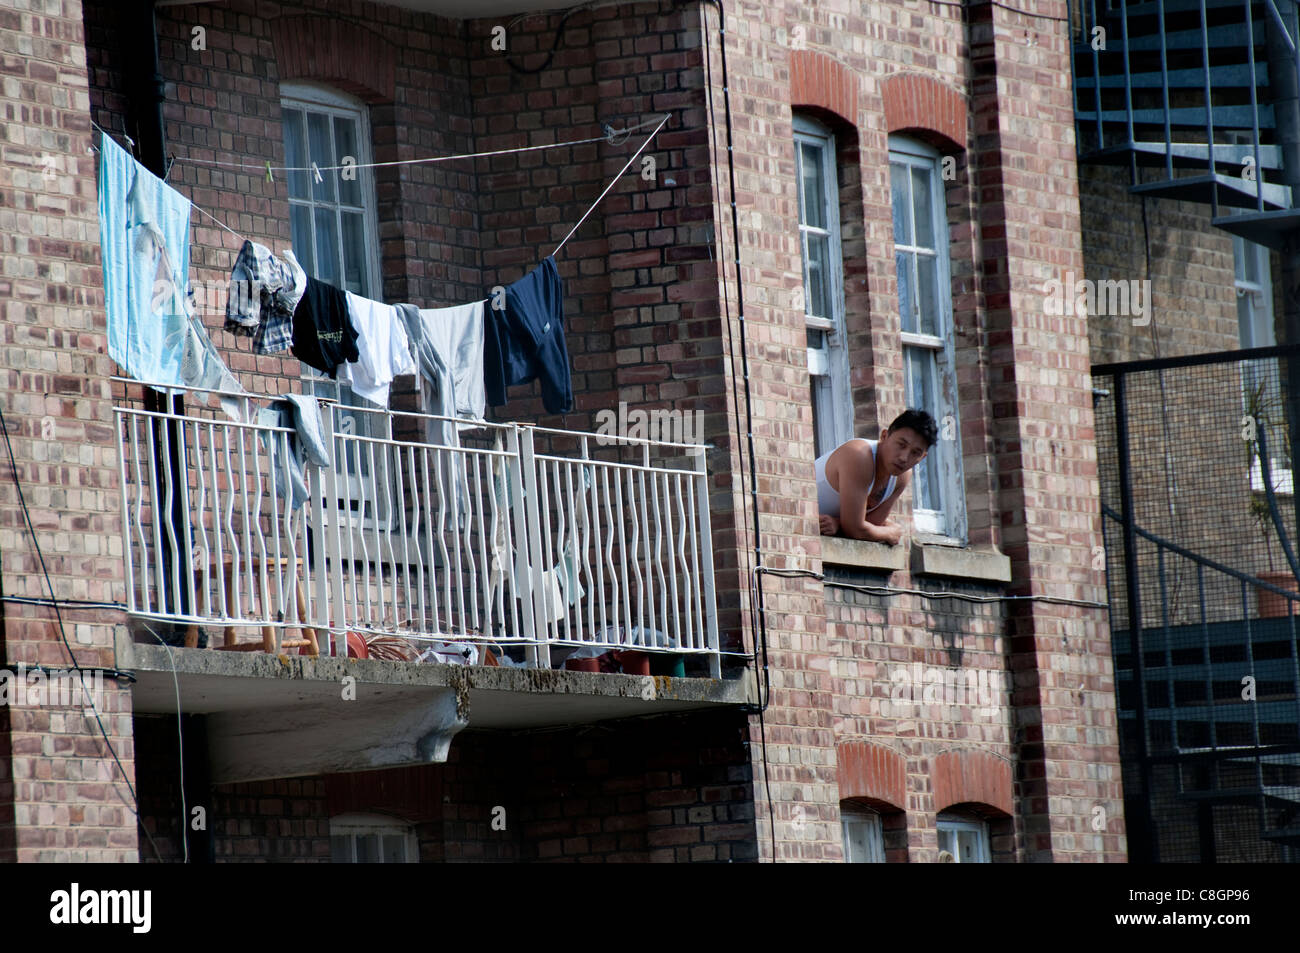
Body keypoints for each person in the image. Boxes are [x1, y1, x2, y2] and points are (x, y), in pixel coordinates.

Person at [815, 409, 938, 545]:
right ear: (884, 436)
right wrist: (891, 532)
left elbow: (872, 523)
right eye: (901, 445)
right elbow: (855, 530)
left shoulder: (902, 476)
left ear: (923, 457)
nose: (904, 458)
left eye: (915, 453)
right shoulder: (859, 455)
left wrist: (838, 523)